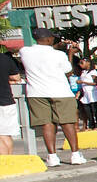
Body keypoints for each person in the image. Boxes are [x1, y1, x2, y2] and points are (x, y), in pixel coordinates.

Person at [17, 29, 84, 166]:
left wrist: (57, 46)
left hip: (37, 93)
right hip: (60, 92)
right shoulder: (59, 55)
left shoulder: (25, 51)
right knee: (67, 123)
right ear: (48, 39)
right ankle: (75, 154)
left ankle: (52, 157)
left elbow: (42, 51)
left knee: (47, 124)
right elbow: (68, 72)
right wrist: (70, 54)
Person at [0, 48, 22, 154]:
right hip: (7, 101)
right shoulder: (5, 59)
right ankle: (8, 162)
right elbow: (16, 77)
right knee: (5, 135)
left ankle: (3, 165)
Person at [76, 58, 97, 130]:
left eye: (82, 63)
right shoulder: (83, 72)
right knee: (88, 110)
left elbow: (95, 83)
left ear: (88, 63)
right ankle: (91, 125)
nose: (80, 65)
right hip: (86, 93)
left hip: (93, 93)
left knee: (95, 110)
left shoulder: (93, 72)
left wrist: (83, 82)